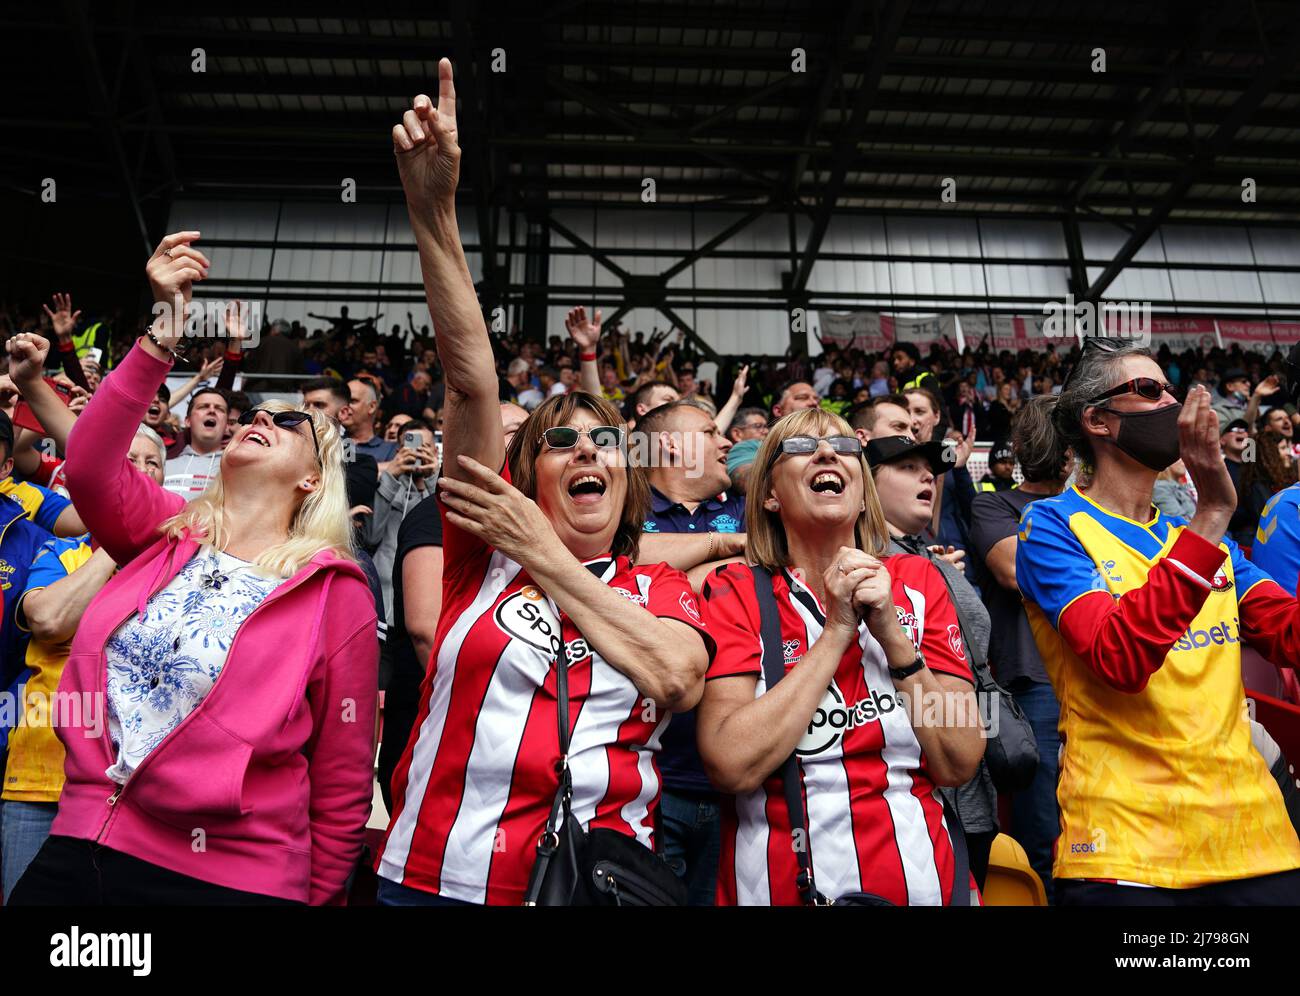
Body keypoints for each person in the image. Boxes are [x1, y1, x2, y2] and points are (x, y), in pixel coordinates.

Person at [376, 65, 712, 906]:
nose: (585, 451)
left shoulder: (660, 585)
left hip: (590, 887)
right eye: (559, 442)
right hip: (429, 880)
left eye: (606, 441)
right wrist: (434, 214)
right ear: (526, 474)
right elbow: (470, 385)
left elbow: (674, 680)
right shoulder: (475, 554)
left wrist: (544, 555)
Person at [5, 235, 378, 906]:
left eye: (289, 420)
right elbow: (88, 465)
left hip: (237, 877)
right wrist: (166, 324)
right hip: (87, 842)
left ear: (313, 479)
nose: (262, 414)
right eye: (258, 410)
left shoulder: (333, 588)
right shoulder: (164, 529)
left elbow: (343, 774)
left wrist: (315, 899)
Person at [1015, 339, 1300, 904]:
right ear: (1097, 420)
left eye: (1169, 389)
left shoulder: (1201, 545)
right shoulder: (1051, 527)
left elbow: (1289, 633)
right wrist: (1213, 515)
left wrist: (1204, 529)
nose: (1170, 403)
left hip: (1255, 840)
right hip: (1127, 845)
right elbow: (1118, 656)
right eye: (1149, 391)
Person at [696, 407, 984, 905]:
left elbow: (960, 759)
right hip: (778, 886)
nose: (828, 452)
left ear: (861, 486)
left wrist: (892, 634)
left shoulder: (920, 582)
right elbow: (730, 764)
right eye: (802, 447)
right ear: (769, 494)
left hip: (926, 885)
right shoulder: (735, 589)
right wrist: (836, 632)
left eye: (845, 447)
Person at [0, 427, 163, 895]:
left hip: (140, 792)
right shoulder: (57, 548)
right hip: (41, 777)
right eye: (126, 461)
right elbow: (49, 620)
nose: (139, 471)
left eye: (151, 463)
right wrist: (120, 541)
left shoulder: (186, 563)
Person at [866, 433, 1000, 888]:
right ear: (864, 483)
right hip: (914, 782)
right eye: (905, 468)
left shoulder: (931, 558)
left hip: (966, 759)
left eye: (930, 471)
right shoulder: (866, 567)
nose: (927, 476)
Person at [634, 400, 746, 904]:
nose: (725, 441)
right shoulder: (626, 506)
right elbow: (623, 561)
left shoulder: (744, 508)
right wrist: (725, 549)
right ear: (673, 445)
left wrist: (682, 572)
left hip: (741, 784)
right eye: (709, 432)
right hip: (651, 777)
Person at [967, 397, 1071, 902]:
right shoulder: (994, 505)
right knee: (1044, 835)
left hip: (1099, 675)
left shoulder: (1096, 509)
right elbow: (1014, 571)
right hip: (1033, 684)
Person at [163, 386, 228, 497]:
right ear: (187, 421)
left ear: (226, 424)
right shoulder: (163, 466)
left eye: (219, 409)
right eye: (203, 407)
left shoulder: (236, 470)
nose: (212, 411)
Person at [348, 377, 399, 465]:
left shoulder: (390, 450)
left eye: (353, 401)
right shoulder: (330, 443)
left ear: (372, 407)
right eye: (343, 401)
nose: (345, 406)